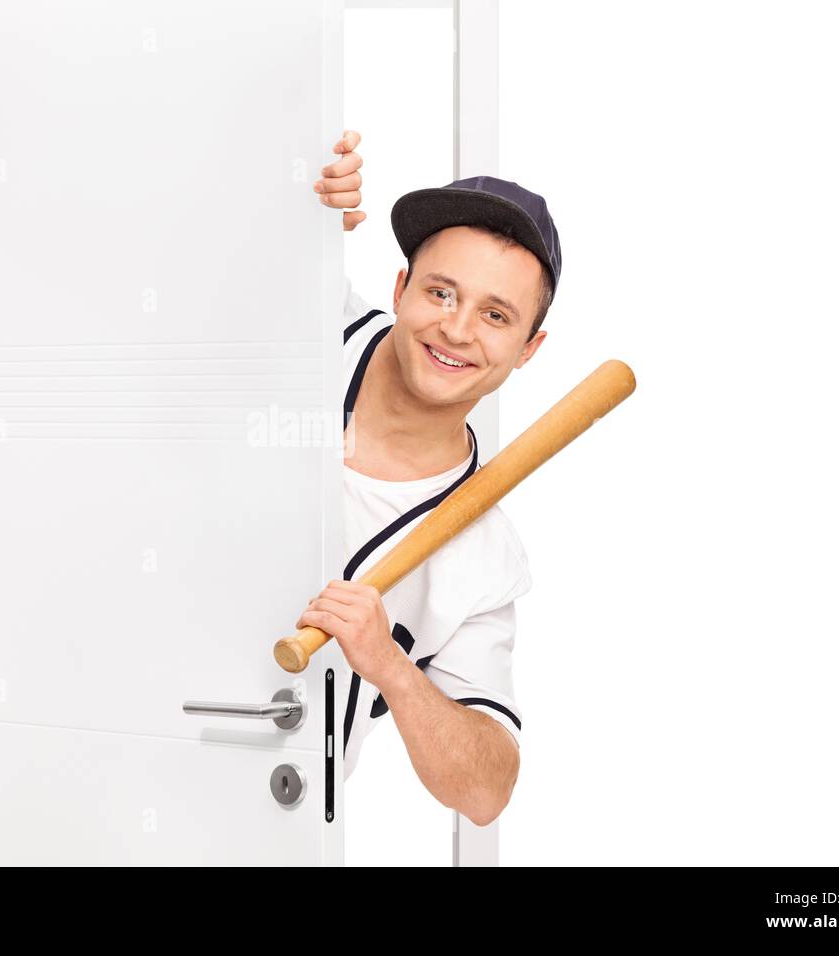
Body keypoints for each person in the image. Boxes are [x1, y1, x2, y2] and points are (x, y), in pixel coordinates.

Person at [303, 131, 561, 826]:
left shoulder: (484, 556)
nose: (457, 329)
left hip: (270, 827)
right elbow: (195, 226)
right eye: (442, 291)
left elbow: (486, 790)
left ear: (527, 350)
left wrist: (389, 666)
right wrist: (300, 192)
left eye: (497, 315)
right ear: (399, 286)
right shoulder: (303, 322)